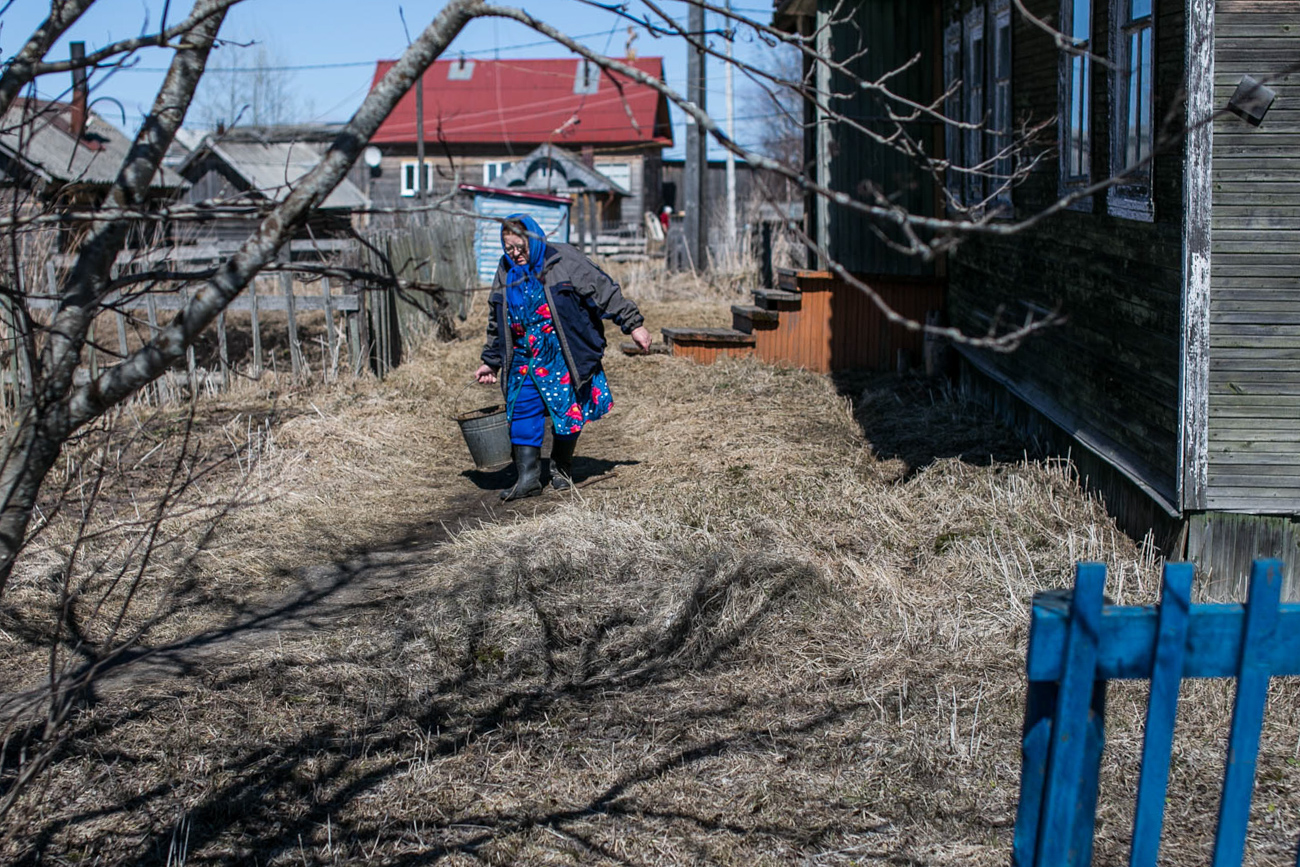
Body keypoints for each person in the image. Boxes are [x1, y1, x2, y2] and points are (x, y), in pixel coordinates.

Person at [475, 214, 652, 500]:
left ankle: (562, 467)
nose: (516, 254)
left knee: (567, 413)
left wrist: (634, 324)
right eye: (509, 249)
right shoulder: (505, 270)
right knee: (521, 412)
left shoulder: (564, 259)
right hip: (524, 357)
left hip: (562, 354)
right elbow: (497, 318)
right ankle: (528, 478)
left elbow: (604, 290)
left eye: (521, 247)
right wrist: (490, 360)